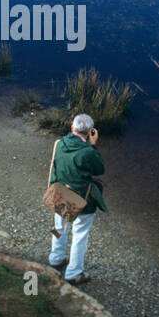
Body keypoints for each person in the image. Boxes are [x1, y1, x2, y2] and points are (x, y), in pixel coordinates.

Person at [48, 113, 107, 285]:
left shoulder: (59, 144)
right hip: (82, 201)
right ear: (90, 132)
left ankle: (56, 258)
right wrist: (94, 145)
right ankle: (73, 272)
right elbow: (100, 169)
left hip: (59, 194)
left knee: (59, 227)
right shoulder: (88, 152)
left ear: (72, 128)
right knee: (80, 235)